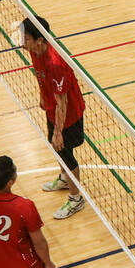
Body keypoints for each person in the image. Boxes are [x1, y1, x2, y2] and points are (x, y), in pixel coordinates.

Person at [22, 17, 87, 220]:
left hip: (68, 114)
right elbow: (39, 73)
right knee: (57, 149)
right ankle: (65, 179)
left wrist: (58, 131)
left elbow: (63, 102)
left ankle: (76, 198)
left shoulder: (56, 62)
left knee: (65, 153)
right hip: (53, 108)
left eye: (26, 37)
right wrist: (42, 95)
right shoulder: (34, 49)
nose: (22, 41)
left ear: (39, 40)